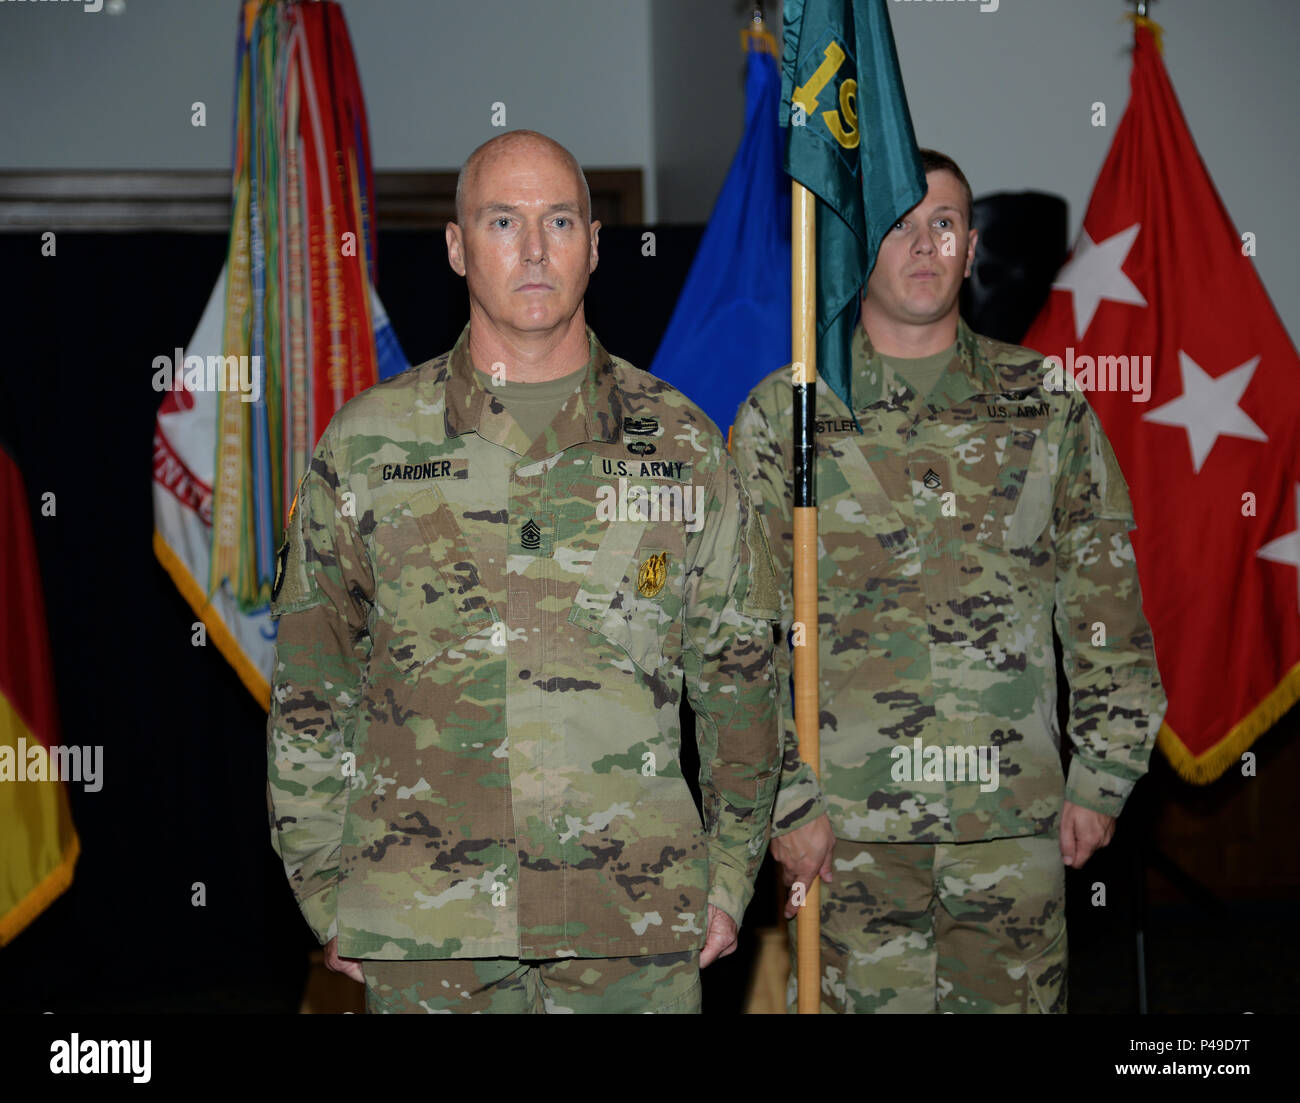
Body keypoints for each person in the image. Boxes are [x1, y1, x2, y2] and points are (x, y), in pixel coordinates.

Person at [266, 129, 782, 1014]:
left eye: (560, 220)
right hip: (429, 923)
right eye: (503, 221)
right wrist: (324, 888)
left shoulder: (687, 443)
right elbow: (313, 687)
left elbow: (738, 681)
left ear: (594, 244)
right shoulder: (366, 446)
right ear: (459, 248)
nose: (535, 249)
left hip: (633, 915)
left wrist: (729, 878)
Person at [732, 149, 1166, 1014]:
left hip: (1012, 823)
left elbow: (1103, 597)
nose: (923, 243)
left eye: (944, 223)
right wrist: (784, 802)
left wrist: (1102, 776)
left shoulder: (1045, 402)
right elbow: (742, 636)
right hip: (848, 828)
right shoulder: (789, 413)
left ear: (972, 247)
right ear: (858, 249)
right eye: (898, 223)